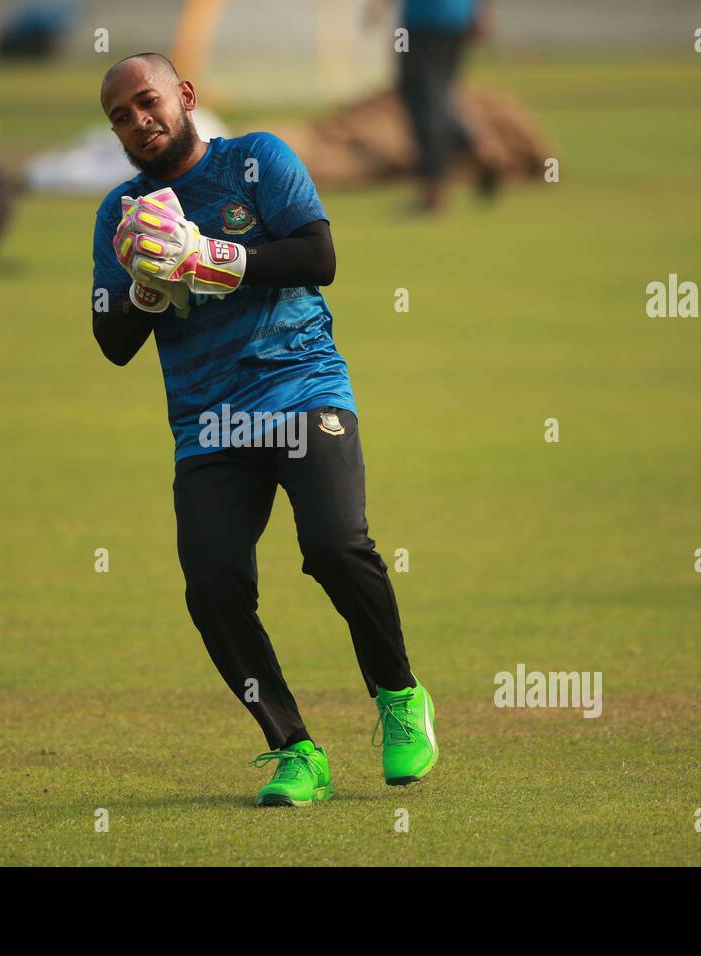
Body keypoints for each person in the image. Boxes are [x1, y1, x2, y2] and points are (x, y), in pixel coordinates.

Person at [90, 53, 438, 807]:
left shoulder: (256, 160)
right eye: (120, 115)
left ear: (183, 96)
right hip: (210, 421)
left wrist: (210, 256)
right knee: (212, 586)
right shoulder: (122, 212)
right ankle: (295, 750)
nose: (137, 122)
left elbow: (320, 256)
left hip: (301, 386)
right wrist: (150, 285)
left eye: (147, 102)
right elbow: (112, 343)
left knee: (336, 547)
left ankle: (399, 696)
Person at [378, 0, 498, 212]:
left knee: (424, 101)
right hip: (457, 17)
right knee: (438, 96)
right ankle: (477, 149)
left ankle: (434, 192)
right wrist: (481, 12)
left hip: (423, 20)